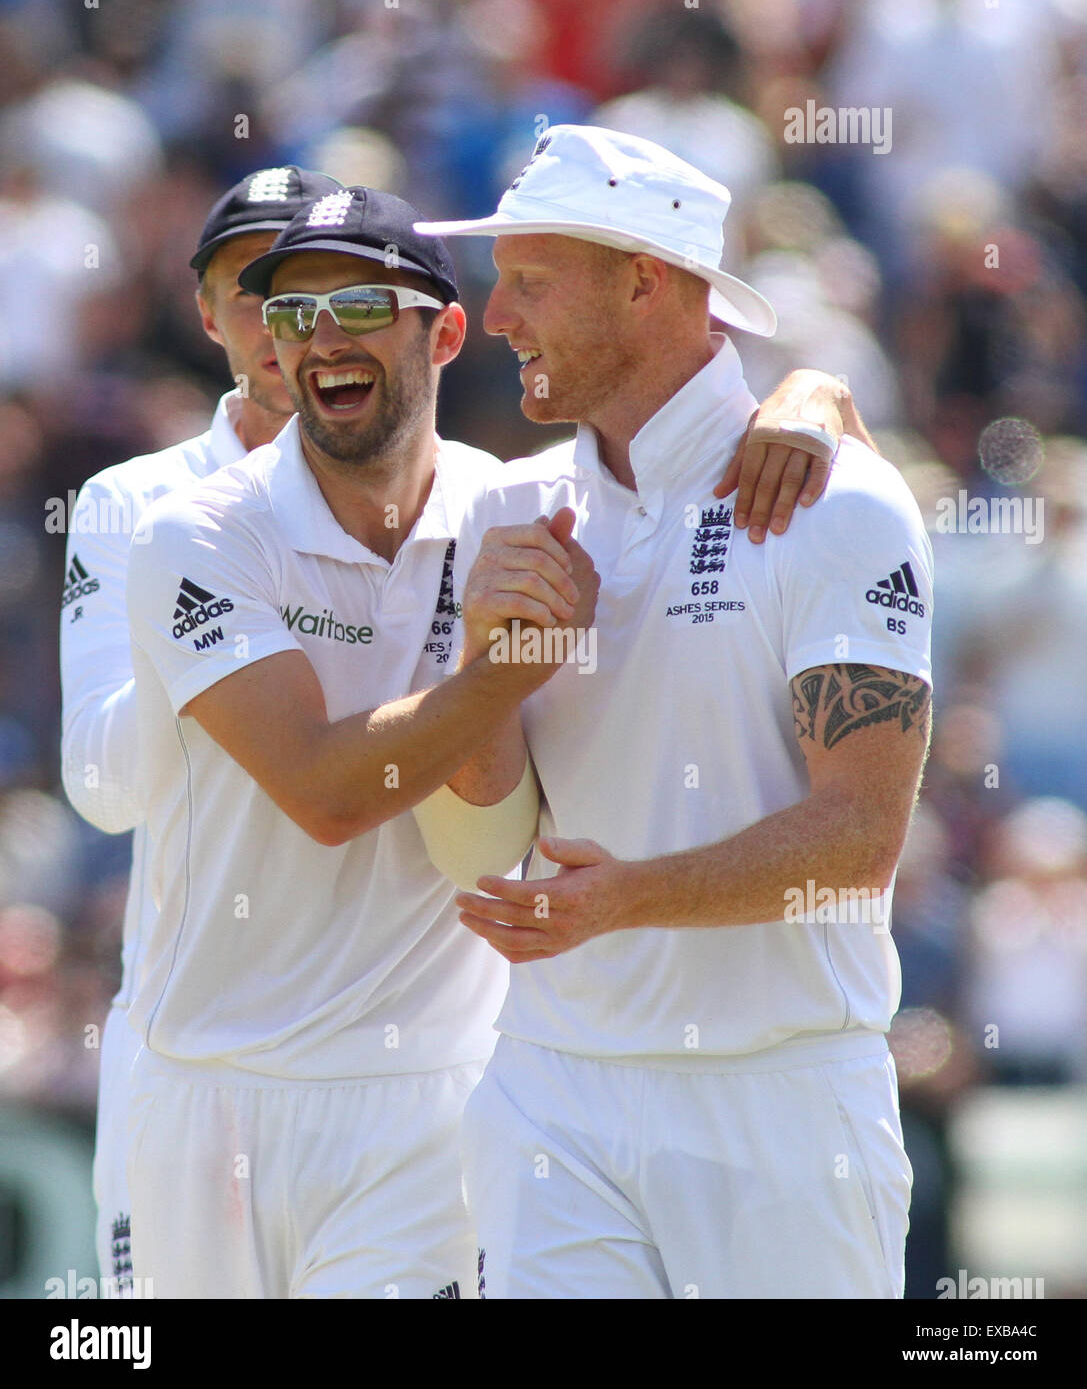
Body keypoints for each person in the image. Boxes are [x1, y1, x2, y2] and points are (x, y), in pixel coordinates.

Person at [115, 181, 868, 1299]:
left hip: (428, 1100)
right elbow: (326, 793)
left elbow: (720, 433)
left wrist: (809, 395)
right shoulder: (198, 532)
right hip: (203, 1082)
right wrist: (504, 668)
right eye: (289, 316)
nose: (320, 340)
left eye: (365, 306)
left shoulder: (502, 507)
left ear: (448, 331)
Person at [415, 124, 934, 1299]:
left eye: (531, 283)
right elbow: (485, 835)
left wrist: (627, 901)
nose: (497, 320)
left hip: (784, 1102)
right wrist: (486, 670)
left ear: (646, 280)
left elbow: (859, 844)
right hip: (551, 1085)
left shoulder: (839, 500)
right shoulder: (510, 504)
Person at [59, 165, 342, 1292]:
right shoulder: (134, 504)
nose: (282, 328)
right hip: (186, 1050)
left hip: (396, 1055)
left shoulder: (445, 494)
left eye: (308, 293)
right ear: (204, 311)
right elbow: (101, 783)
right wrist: (207, 619)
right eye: (249, 293)